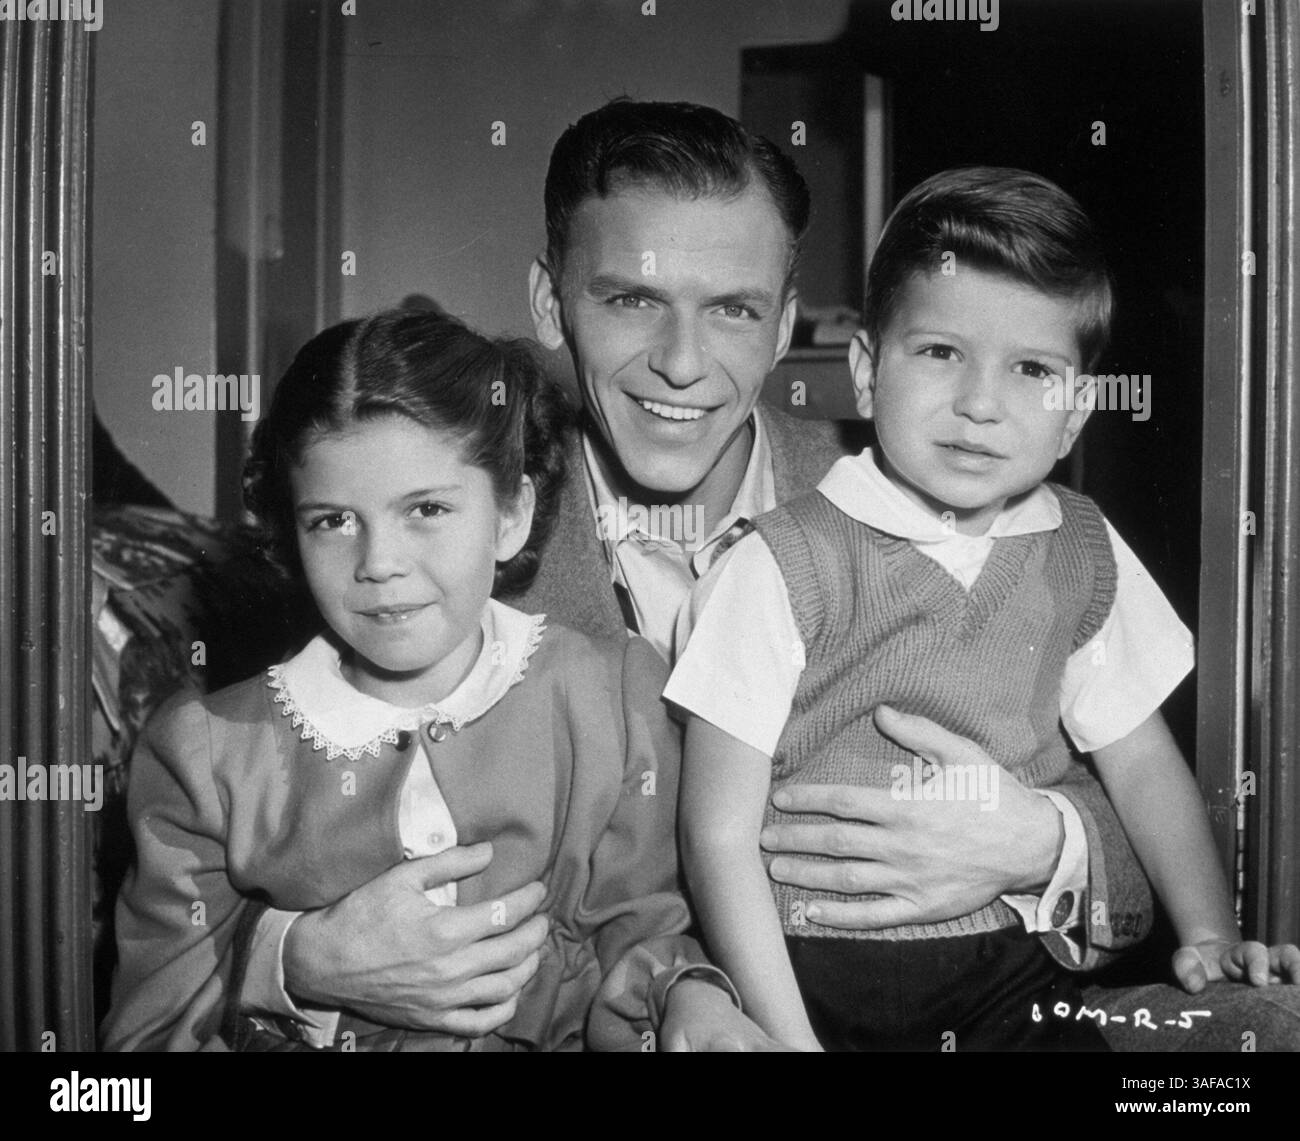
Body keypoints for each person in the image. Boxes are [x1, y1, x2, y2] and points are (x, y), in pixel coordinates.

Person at [238, 99, 1300, 1050]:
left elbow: (1133, 780)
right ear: (551, 302)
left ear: (789, 323)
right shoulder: (421, 539)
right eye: (630, 300)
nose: (684, 362)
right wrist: (293, 958)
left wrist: (1045, 842)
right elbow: (262, 823)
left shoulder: (935, 496)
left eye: (735, 309)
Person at [667, 167, 1300, 1051]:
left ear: (1076, 413)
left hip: (1015, 981)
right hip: (813, 978)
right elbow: (716, 830)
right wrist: (789, 1040)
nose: (980, 403)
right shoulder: (782, 560)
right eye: (939, 352)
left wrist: (1208, 932)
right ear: (865, 369)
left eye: (1032, 370)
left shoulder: (1081, 546)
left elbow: (1143, 761)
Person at [101, 309, 749, 1051]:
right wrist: (288, 970)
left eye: (428, 509)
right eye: (333, 520)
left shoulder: (612, 695)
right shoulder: (204, 754)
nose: (379, 561)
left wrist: (686, 994)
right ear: (289, 527)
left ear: (511, 516)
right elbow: (140, 1046)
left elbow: (641, 929)